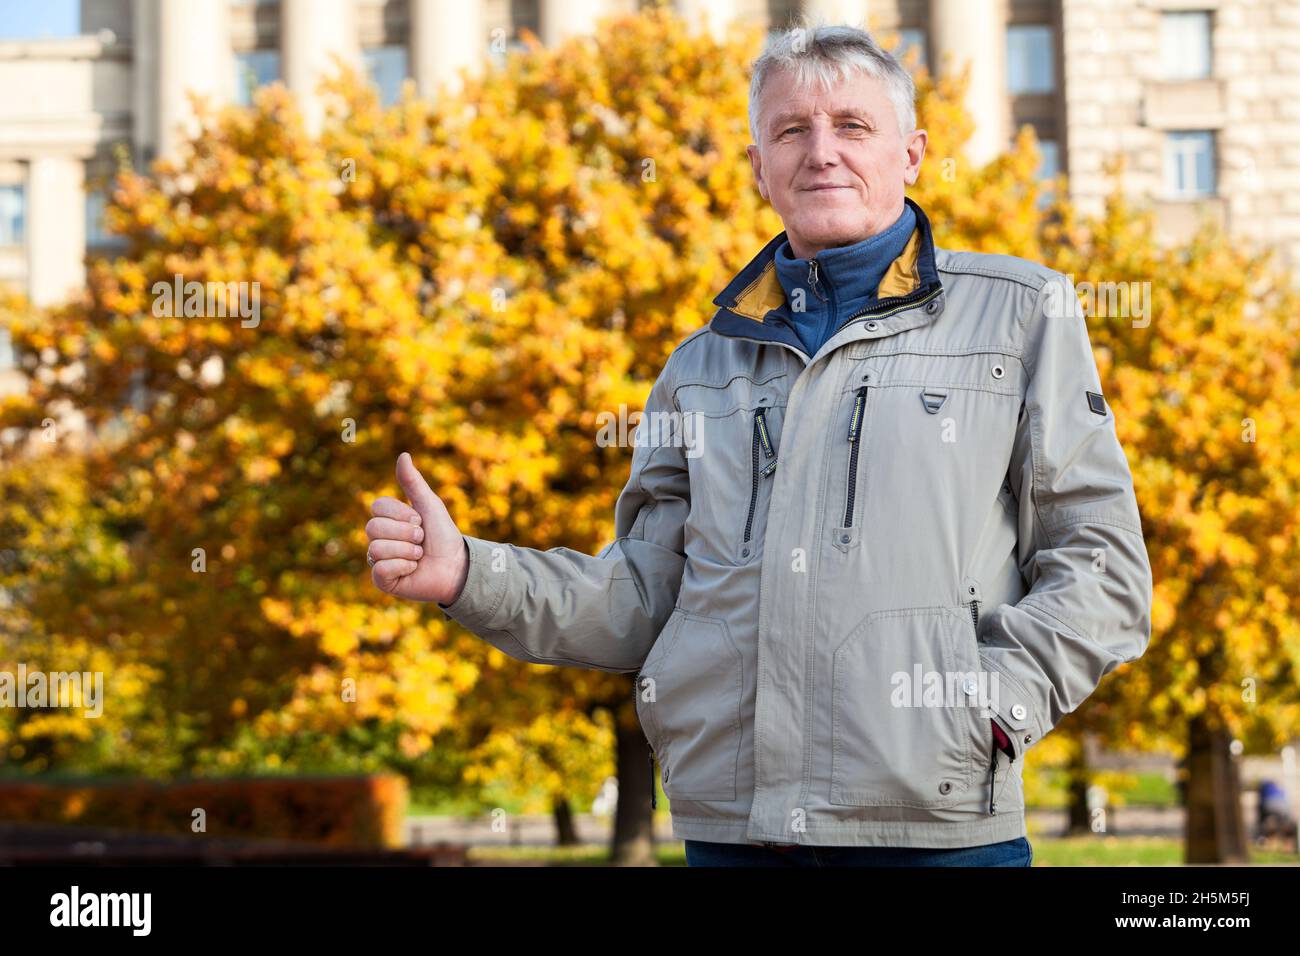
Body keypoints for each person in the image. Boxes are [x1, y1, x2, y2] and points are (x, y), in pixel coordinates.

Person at [364, 22, 1153, 867]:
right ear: (758, 168)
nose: (822, 152)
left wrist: (988, 709)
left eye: (852, 126)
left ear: (912, 153)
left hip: (936, 829)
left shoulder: (1021, 312)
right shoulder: (700, 367)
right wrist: (471, 576)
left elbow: (1103, 566)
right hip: (734, 833)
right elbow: (644, 595)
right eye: (791, 130)